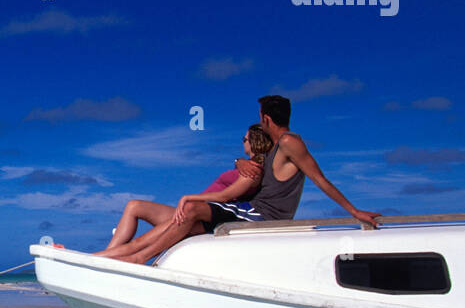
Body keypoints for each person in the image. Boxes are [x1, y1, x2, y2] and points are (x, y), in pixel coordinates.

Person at [98, 94, 381, 264]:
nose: (258, 122)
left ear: (267, 119)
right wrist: (239, 159)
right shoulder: (274, 147)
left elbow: (320, 180)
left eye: (260, 117)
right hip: (250, 212)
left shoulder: (289, 142)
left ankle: (136, 257)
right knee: (189, 219)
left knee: (192, 209)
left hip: (261, 216)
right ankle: (119, 255)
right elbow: (254, 158)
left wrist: (354, 212)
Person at [96, 124, 272, 255]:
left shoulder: (252, 171)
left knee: (139, 244)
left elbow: (226, 196)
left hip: (197, 215)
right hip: (193, 211)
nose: (243, 142)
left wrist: (189, 198)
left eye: (245, 139)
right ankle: (102, 258)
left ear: (254, 141)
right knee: (134, 205)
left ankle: (97, 258)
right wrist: (238, 161)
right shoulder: (245, 166)